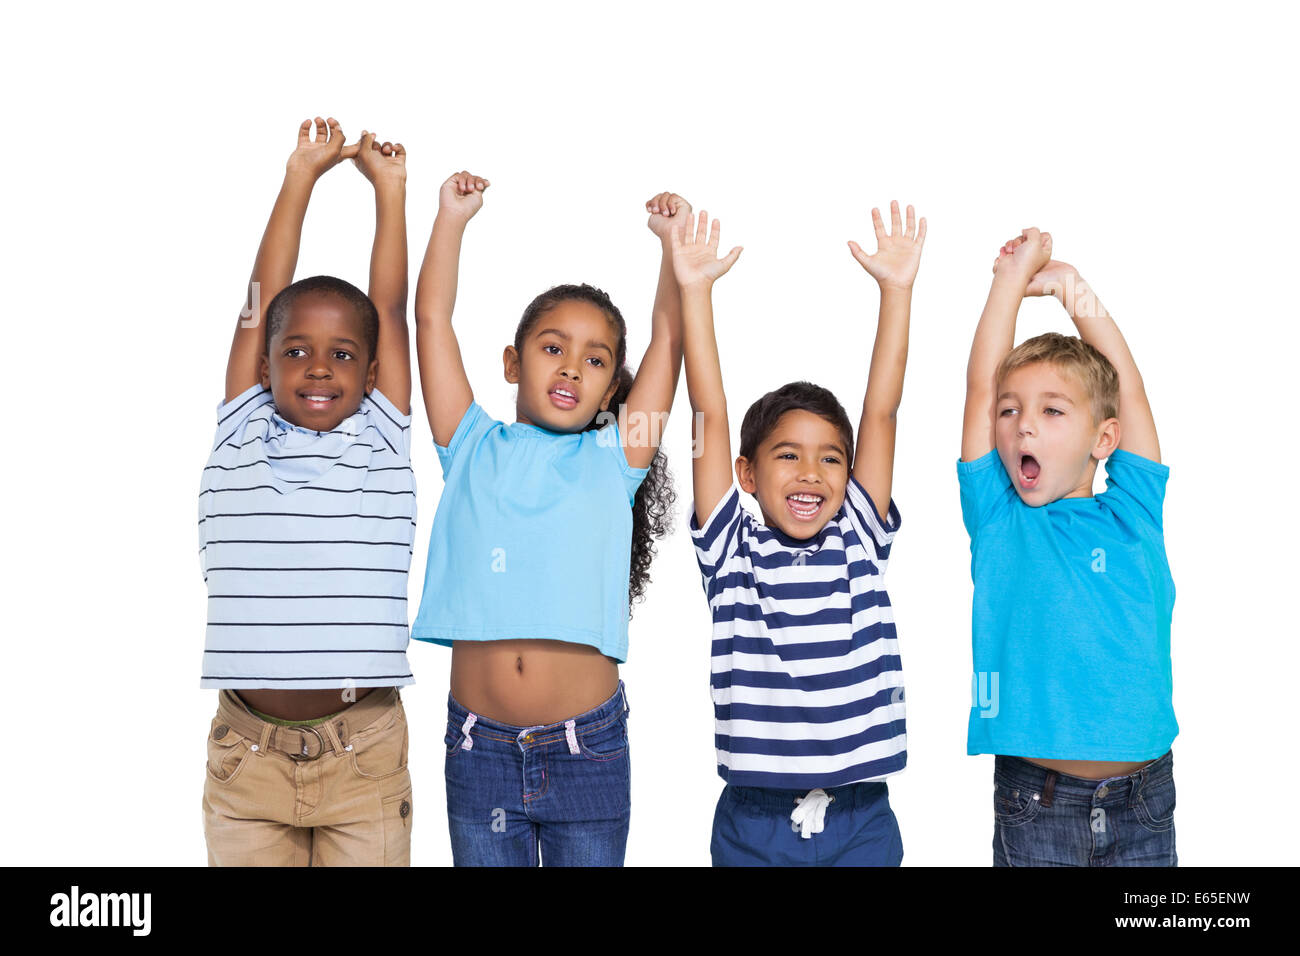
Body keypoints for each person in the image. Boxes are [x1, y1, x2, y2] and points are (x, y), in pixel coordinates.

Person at [411, 172, 683, 865]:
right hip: (480, 751)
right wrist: (451, 221)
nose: (571, 368)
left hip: (586, 749)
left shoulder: (616, 454)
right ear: (512, 360)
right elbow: (431, 321)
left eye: (595, 360)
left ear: (612, 389)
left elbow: (668, 339)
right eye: (552, 347)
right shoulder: (471, 445)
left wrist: (671, 250)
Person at [199, 117, 417, 866]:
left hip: (365, 752)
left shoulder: (381, 439)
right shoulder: (241, 434)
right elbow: (259, 303)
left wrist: (390, 194)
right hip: (247, 757)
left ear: (371, 372)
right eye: (296, 352)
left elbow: (389, 310)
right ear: (265, 367)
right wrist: (302, 177)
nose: (318, 367)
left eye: (341, 355)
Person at [681, 202, 925, 865]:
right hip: (753, 820)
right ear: (748, 474)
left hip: (859, 814)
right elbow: (708, 410)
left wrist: (896, 292)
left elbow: (882, 409)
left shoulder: (859, 539)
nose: (811, 471)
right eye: (787, 454)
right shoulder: (733, 551)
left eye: (830, 458)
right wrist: (694, 291)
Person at [959, 227, 1178, 866]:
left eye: (1053, 411)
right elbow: (980, 386)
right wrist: (1007, 285)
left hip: (1146, 799)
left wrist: (1074, 290)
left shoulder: (1134, 511)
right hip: (1038, 803)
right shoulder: (1000, 518)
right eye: (1012, 411)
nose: (1024, 422)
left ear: (1103, 438)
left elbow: (1128, 390)